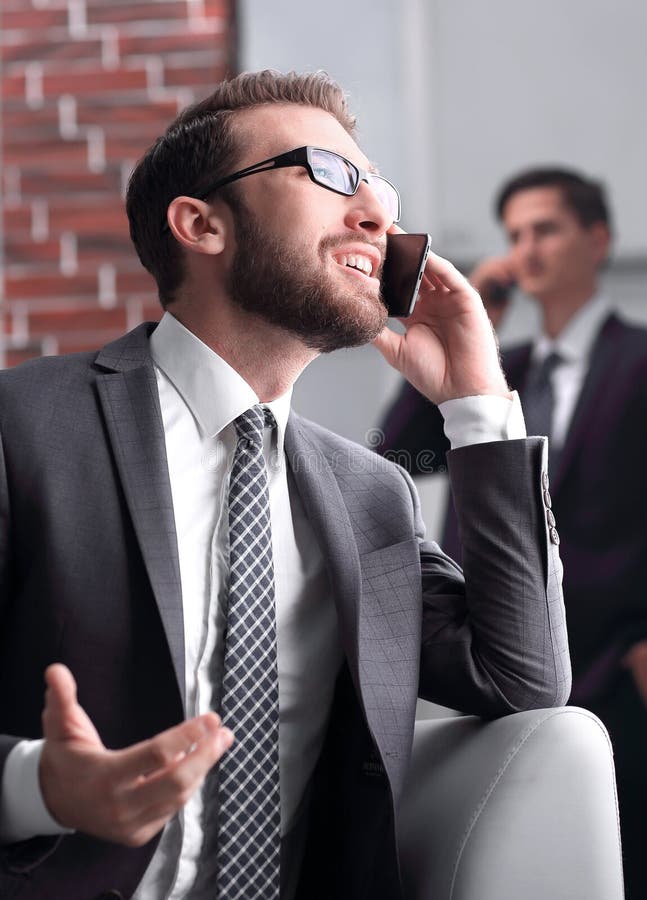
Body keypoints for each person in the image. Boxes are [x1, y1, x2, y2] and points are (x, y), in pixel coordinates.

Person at [0, 73, 569, 900]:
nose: (376, 212)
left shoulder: (368, 491)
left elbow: (520, 677)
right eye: (331, 174)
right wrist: (38, 787)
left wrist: (477, 405)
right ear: (200, 223)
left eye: (380, 188)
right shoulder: (23, 425)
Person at [378, 166, 647, 899]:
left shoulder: (640, 359)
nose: (526, 248)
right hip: (502, 648)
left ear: (598, 240)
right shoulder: (501, 371)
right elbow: (396, 456)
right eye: (515, 234)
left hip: (617, 662)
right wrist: (471, 338)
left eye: (546, 229)